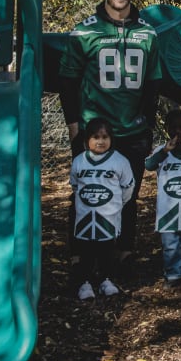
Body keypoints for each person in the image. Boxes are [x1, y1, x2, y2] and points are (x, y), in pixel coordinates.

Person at [59, 0, 162, 261]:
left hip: (133, 129)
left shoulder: (147, 32)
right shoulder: (85, 31)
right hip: (95, 130)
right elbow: (68, 80)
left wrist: (148, 123)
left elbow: (154, 81)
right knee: (85, 194)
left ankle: (122, 253)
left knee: (128, 196)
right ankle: (81, 257)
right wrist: (73, 125)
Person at [70, 118, 134, 300]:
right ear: (86, 140)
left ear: (111, 139)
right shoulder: (79, 161)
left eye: (105, 137)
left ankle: (106, 279)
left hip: (109, 216)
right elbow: (75, 185)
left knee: (106, 249)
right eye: (95, 137)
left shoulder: (120, 161)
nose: (100, 141)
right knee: (86, 250)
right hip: (85, 217)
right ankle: (85, 283)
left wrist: (116, 205)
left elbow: (128, 187)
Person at [144, 109, 181, 287]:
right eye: (173, 127)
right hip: (167, 208)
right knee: (170, 243)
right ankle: (173, 274)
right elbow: (149, 165)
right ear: (167, 128)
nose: (177, 131)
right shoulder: (161, 151)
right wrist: (163, 151)